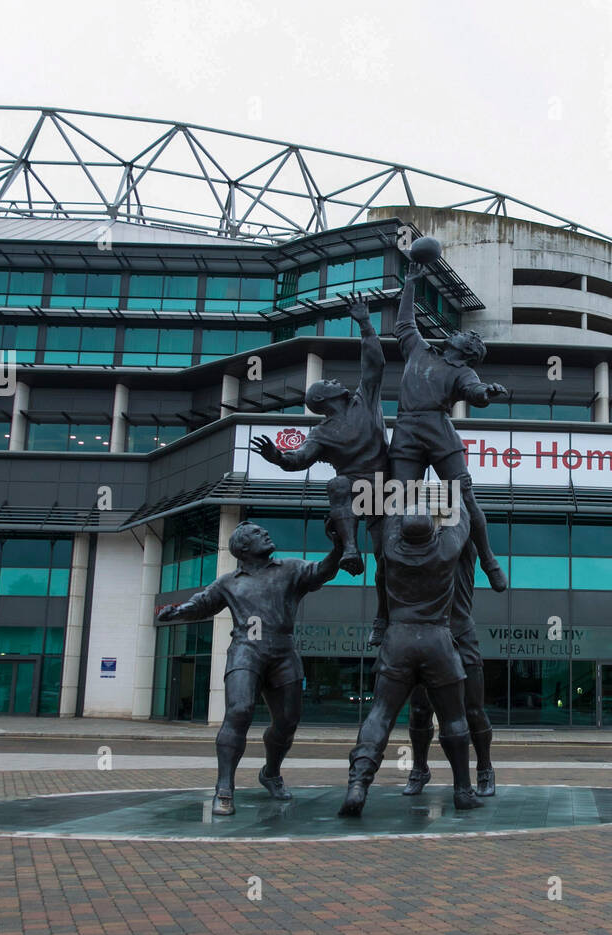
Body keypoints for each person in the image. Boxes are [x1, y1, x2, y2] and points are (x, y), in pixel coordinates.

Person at [156, 519, 341, 816]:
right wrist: (176, 611)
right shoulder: (228, 582)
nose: (265, 533)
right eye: (257, 532)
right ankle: (224, 789)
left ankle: (270, 772)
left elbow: (323, 571)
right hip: (246, 651)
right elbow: (202, 603)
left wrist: (339, 545)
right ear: (242, 547)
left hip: (283, 652)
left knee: (288, 721)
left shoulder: (290, 569)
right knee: (239, 710)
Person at [250, 291, 389, 632]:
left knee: (388, 560)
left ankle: (385, 612)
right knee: (338, 483)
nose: (335, 380)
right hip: (360, 496)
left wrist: (365, 323)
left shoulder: (364, 401)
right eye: (328, 382)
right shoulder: (321, 433)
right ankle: (351, 550)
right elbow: (298, 460)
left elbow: (376, 363)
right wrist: (277, 456)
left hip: (390, 486)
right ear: (324, 399)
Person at [339, 503, 482, 817]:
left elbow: (388, 517)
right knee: (453, 718)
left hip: (399, 640)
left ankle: (358, 783)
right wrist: (453, 493)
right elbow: (464, 514)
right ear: (433, 531)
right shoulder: (446, 549)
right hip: (438, 640)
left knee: (380, 715)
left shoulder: (391, 549)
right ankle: (462, 790)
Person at [391, 260, 510, 592]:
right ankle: (399, 585)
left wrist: (487, 392)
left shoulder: (463, 372)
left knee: (467, 500)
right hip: (406, 432)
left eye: (461, 334)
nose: (454, 332)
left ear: (467, 350)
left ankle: (488, 560)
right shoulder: (419, 350)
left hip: (438, 432)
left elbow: (475, 393)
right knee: (397, 504)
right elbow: (404, 323)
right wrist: (411, 282)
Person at [403, 536, 495, 797]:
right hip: (428, 636)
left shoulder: (462, 545)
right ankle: (419, 769)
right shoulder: (416, 550)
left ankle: (485, 769)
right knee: (420, 708)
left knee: (473, 709)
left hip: (461, 633)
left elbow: (468, 513)